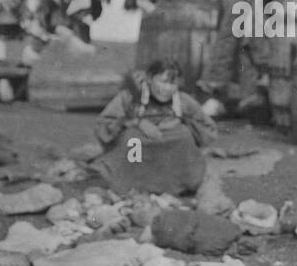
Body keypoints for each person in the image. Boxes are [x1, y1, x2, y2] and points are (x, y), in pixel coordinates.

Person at [89, 59, 218, 195]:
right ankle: (131, 186)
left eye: (172, 83)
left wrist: (181, 121)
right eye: (163, 81)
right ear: (150, 78)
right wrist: (136, 122)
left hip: (171, 163)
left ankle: (179, 185)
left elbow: (208, 129)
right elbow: (103, 125)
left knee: (183, 135)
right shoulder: (130, 97)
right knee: (133, 139)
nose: (167, 88)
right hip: (137, 157)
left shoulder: (183, 101)